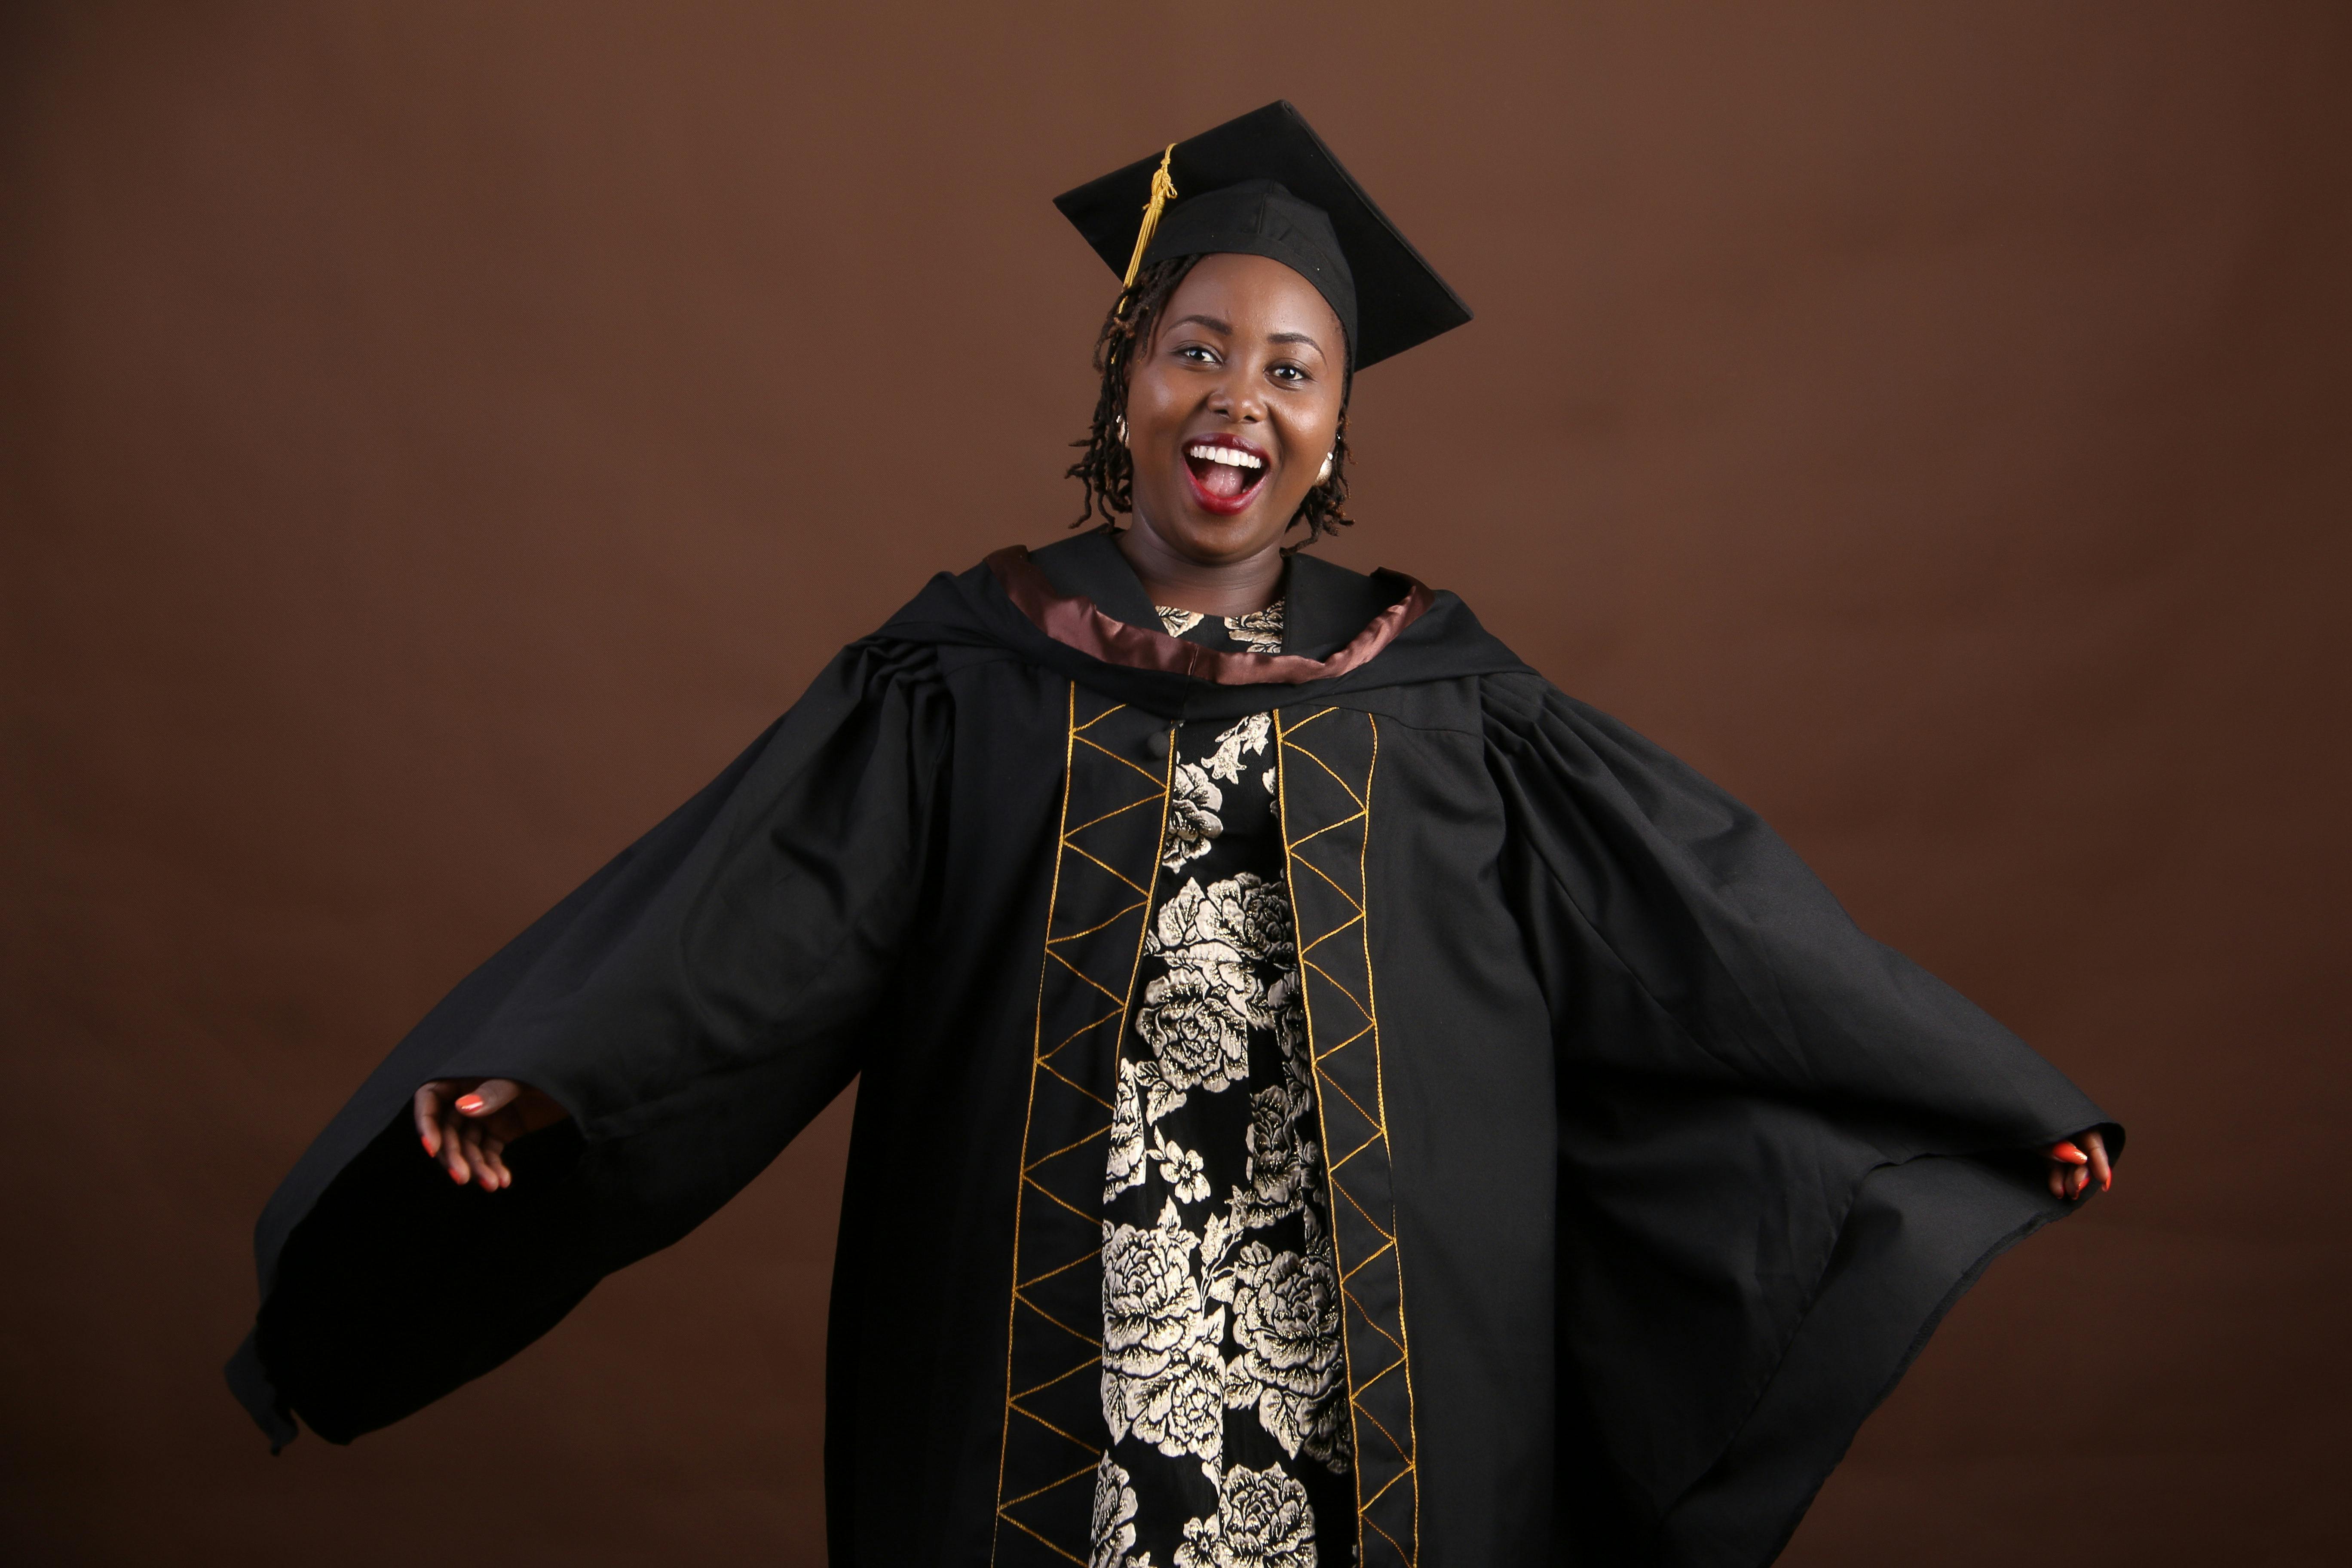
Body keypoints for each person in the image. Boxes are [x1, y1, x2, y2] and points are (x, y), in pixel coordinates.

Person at [229, 101, 2118, 1568]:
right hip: (1040, 1381)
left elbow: (1714, 935)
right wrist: (558, 1071)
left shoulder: (1446, 703)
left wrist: (1974, 1086)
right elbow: (757, 930)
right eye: (1199, 348)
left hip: (1375, 1391)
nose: (1241, 398)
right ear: (1127, 380)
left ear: (1334, 426)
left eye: (1293, 369)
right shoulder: (963, 674)